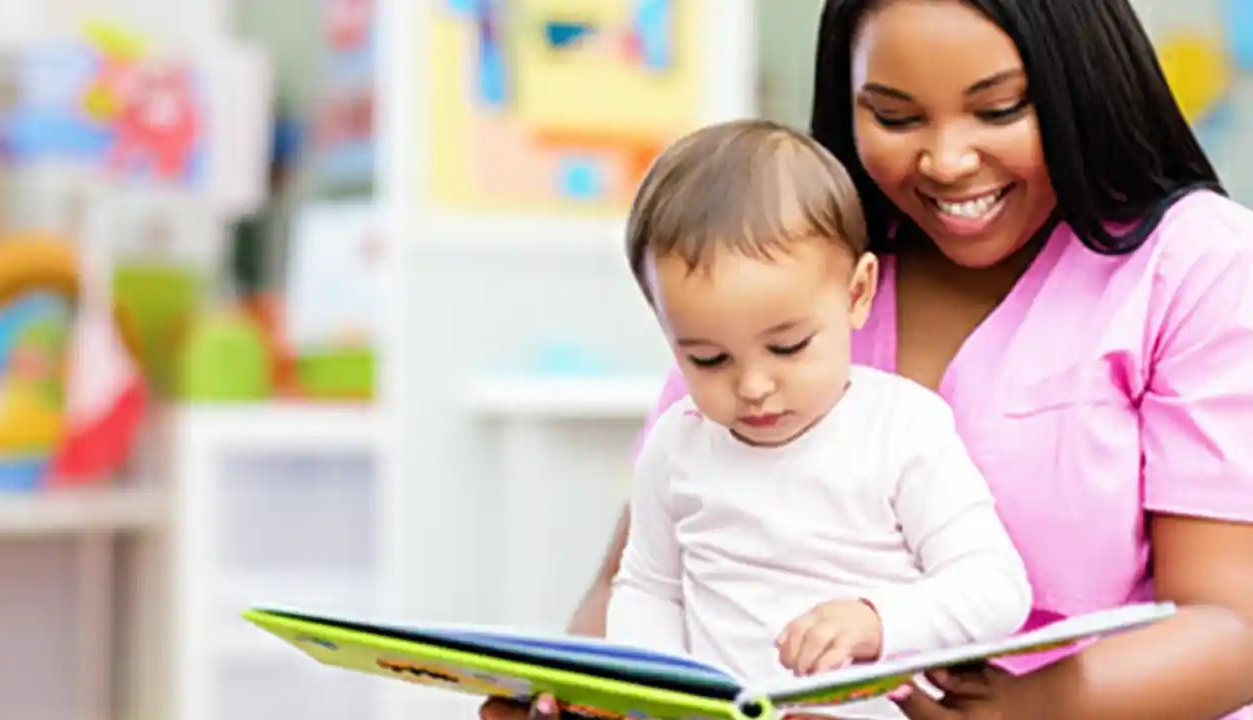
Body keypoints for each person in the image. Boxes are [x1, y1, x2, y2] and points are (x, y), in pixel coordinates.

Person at [481, 0, 1253, 718]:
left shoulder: (1193, 266)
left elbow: (1233, 623)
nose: (946, 161)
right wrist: (585, 691)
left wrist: (1032, 709)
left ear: (1080, 86)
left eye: (998, 109)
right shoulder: (787, 269)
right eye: (894, 115)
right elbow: (642, 573)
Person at [604, 119, 1031, 720]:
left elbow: (996, 588)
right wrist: (652, 698)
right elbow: (649, 588)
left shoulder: (902, 428)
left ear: (857, 295)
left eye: (788, 347)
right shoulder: (678, 444)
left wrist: (875, 621)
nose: (753, 387)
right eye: (707, 358)